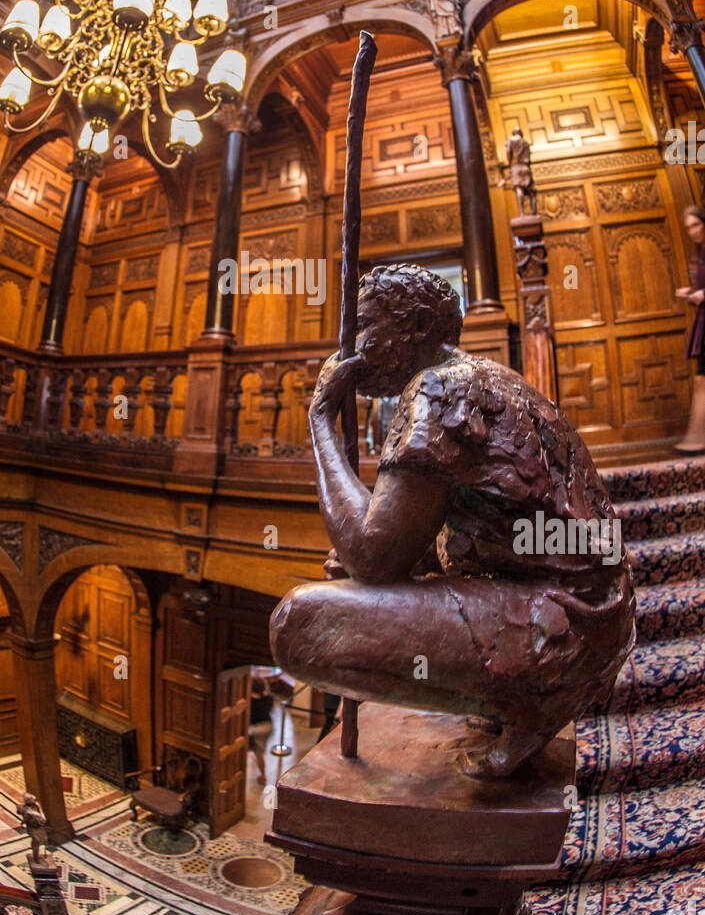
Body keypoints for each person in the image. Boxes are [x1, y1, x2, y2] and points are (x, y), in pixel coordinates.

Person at [270, 264, 635, 778]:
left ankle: (532, 701)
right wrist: (378, 552)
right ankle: (514, 702)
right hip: (589, 611)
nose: (346, 349)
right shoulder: (480, 378)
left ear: (417, 327)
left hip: (565, 622)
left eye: (362, 327)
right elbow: (431, 535)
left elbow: (374, 557)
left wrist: (320, 423)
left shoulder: (437, 391)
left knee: (298, 623)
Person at [675, 205, 705, 452]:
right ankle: (696, 437)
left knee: (701, 379)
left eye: (696, 225)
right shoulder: (701, 254)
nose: (692, 231)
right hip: (703, 320)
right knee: (700, 379)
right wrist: (692, 292)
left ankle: (696, 438)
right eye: (689, 228)